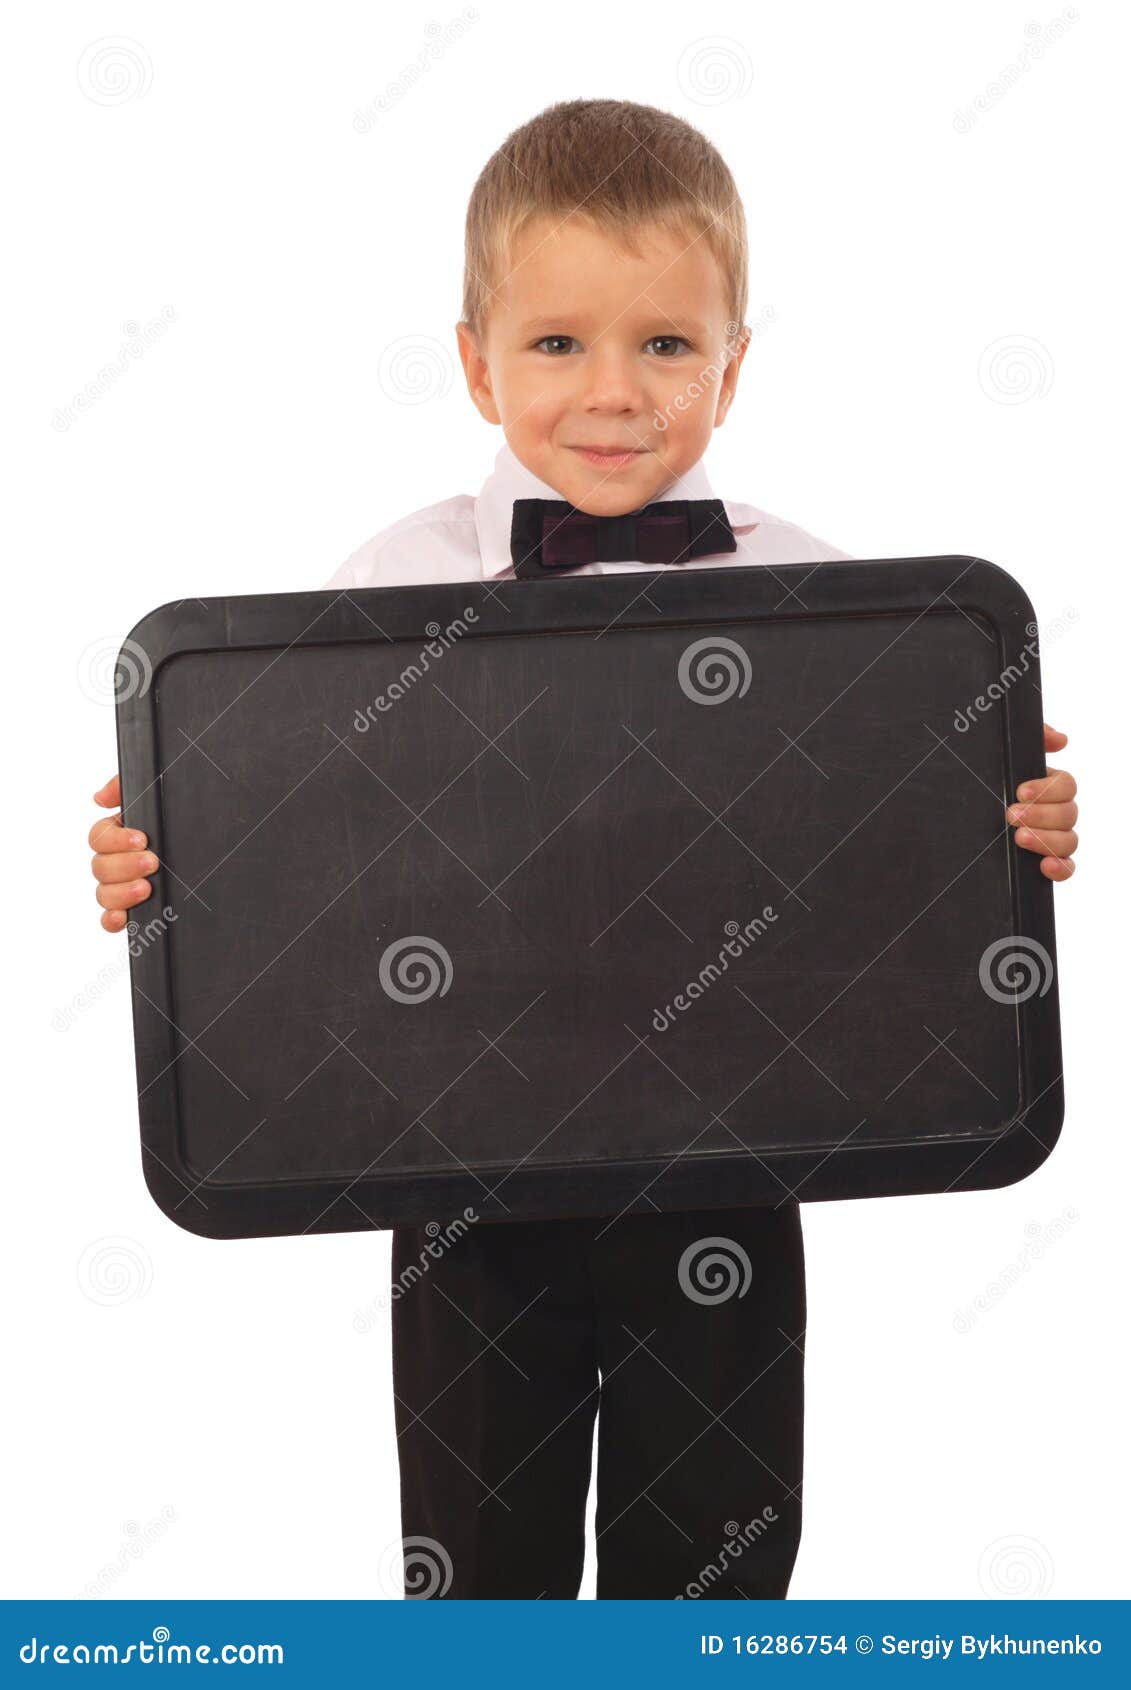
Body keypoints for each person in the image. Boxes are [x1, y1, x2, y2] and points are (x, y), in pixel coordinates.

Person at [86, 99, 1080, 1599]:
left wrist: (1007, 823)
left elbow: (896, 858)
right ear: (478, 359)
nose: (613, 393)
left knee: (719, 1554)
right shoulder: (387, 587)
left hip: (738, 1158)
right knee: (482, 1555)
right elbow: (289, 844)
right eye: (558, 344)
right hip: (456, 1165)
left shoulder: (829, 599)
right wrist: (162, 866)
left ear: (733, 367)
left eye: (666, 345)